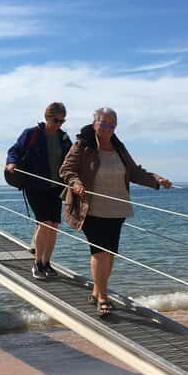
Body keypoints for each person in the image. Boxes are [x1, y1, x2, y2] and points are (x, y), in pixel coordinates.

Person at [60, 107, 172, 317]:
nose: (106, 128)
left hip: (117, 207)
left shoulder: (119, 147)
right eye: (103, 123)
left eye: (111, 124)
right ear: (94, 124)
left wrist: (157, 180)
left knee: (110, 253)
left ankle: (96, 291)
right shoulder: (83, 145)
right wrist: (75, 183)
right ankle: (103, 298)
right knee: (100, 251)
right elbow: (66, 169)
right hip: (91, 207)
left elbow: (134, 171)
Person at [6, 102, 72, 280]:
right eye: (56, 120)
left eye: (62, 121)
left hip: (56, 187)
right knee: (44, 223)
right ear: (47, 117)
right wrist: (11, 163)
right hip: (34, 185)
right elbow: (14, 150)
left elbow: (72, 159)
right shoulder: (32, 133)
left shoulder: (63, 138)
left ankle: (47, 263)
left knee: (54, 226)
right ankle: (37, 263)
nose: (59, 124)